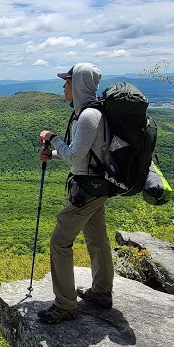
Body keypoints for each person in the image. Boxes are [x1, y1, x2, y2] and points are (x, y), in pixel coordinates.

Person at [36, 62, 115, 324]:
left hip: (88, 189)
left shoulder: (89, 116)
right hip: (97, 185)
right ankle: (102, 292)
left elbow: (75, 154)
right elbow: (80, 156)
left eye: (67, 81)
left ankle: (65, 306)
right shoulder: (93, 113)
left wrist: (53, 137)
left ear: (78, 84)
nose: (63, 86)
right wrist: (54, 154)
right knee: (96, 238)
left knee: (59, 241)